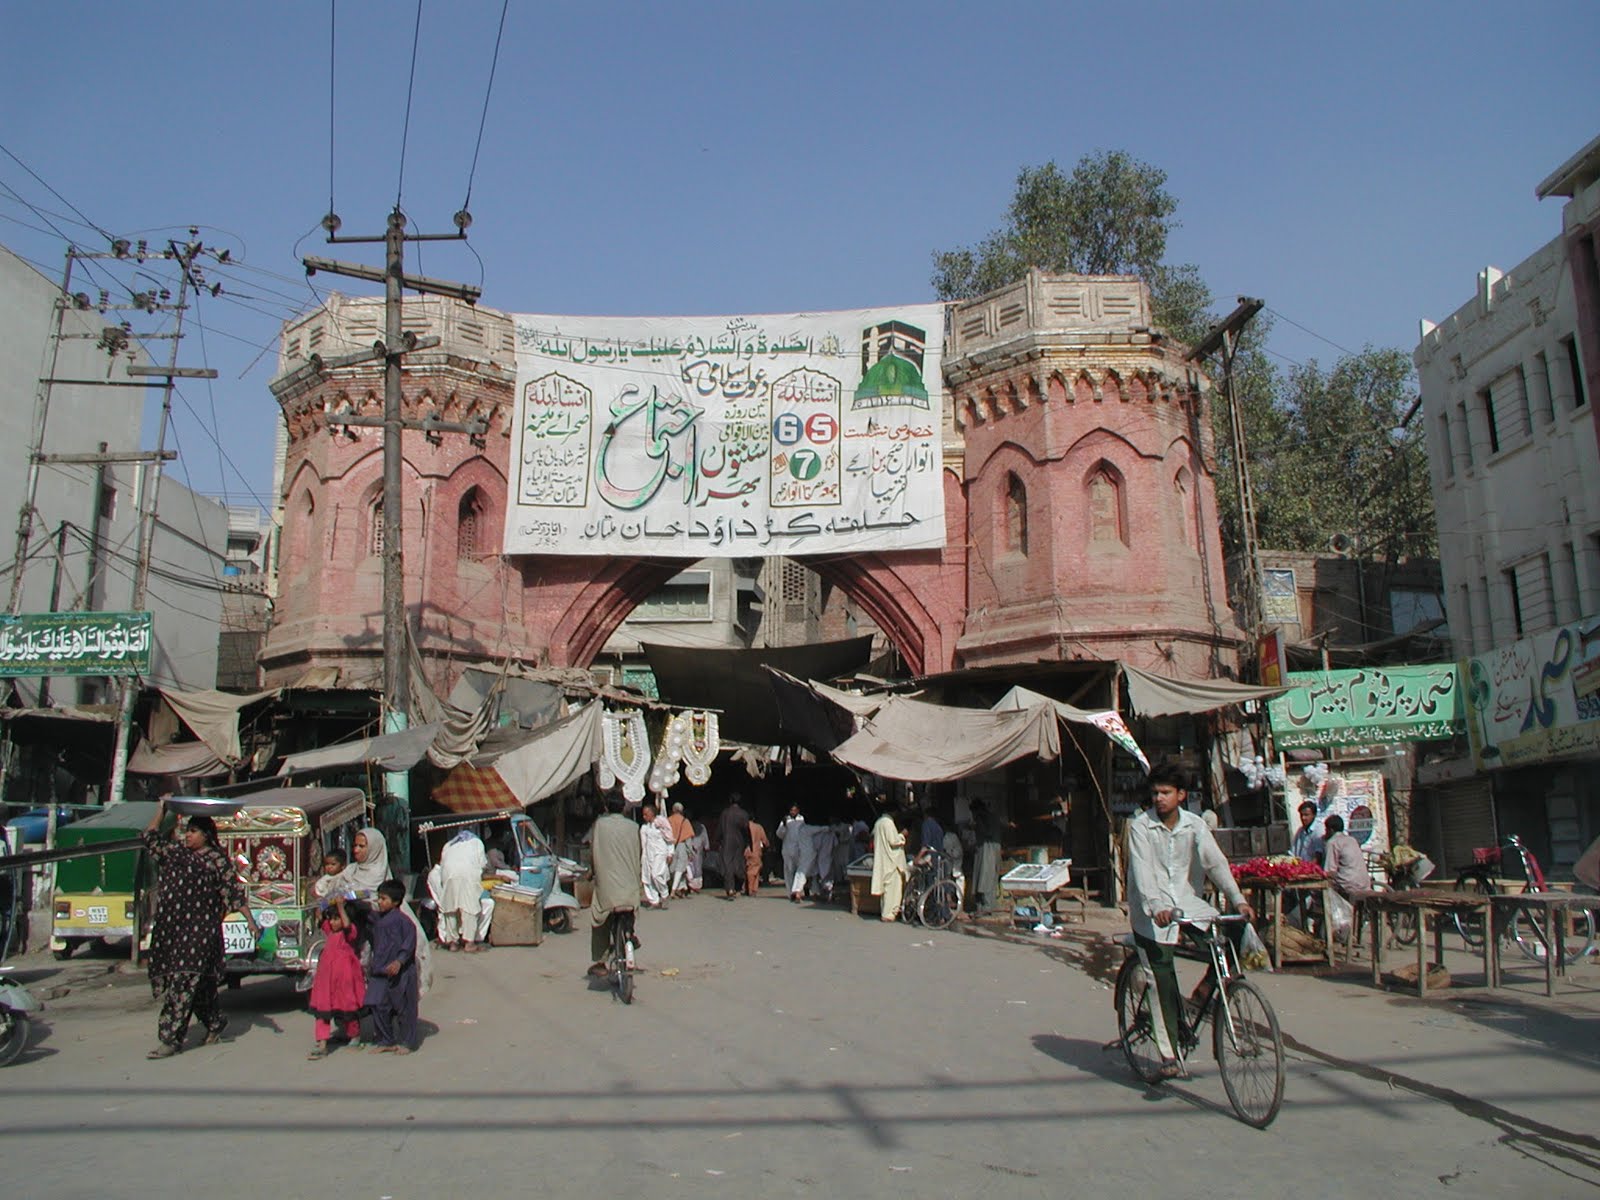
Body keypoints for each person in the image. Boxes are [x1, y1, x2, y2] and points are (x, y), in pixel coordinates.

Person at [1125, 766, 1254, 1078]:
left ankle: (1207, 988)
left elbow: (1215, 863)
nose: (1159, 798)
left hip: (1187, 904)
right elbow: (1142, 872)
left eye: (1166, 792)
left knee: (1237, 930)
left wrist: (1238, 899)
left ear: (1181, 795)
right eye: (1155, 793)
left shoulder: (1195, 825)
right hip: (1151, 912)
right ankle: (1169, 1054)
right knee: (1163, 977)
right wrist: (1155, 906)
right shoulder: (1141, 827)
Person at [141, 798, 256, 1059]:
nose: (188, 836)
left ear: (206, 835)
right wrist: (161, 810)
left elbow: (233, 893)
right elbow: (150, 837)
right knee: (199, 984)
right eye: (187, 831)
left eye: (193, 831)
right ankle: (215, 1023)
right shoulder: (175, 854)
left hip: (200, 932)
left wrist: (249, 920)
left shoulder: (216, 860)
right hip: (173, 930)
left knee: (183, 981)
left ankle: (170, 1039)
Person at [316, 827, 433, 995]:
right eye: (355, 846)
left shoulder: (377, 873)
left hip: (380, 929)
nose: (356, 850)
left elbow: (365, 893)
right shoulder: (351, 870)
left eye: (361, 846)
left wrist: (342, 896)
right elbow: (331, 887)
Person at [307, 883, 366, 1060]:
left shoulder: (350, 933)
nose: (333, 922)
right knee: (323, 1008)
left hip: (345, 976)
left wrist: (341, 906)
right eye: (331, 919)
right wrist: (322, 902)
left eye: (336, 918)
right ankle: (322, 1043)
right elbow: (320, 916)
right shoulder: (328, 930)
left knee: (347, 1005)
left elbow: (347, 924)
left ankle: (354, 1036)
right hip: (326, 976)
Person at [589, 793, 643, 977]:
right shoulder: (634, 827)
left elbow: (593, 850)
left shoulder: (600, 825)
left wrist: (591, 872)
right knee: (629, 908)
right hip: (630, 883)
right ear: (623, 808)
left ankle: (601, 960)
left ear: (606, 808)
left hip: (608, 885)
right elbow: (639, 853)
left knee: (599, 916)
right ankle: (630, 933)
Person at [365, 879, 420, 1054]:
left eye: (383, 899)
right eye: (378, 898)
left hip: (401, 972)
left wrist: (399, 961)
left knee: (404, 1007)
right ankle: (385, 1039)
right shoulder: (377, 919)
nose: (379, 902)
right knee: (378, 1005)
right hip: (380, 970)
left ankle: (406, 1042)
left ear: (396, 902)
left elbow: (409, 944)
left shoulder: (405, 922)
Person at [434, 827, 489, 952]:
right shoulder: (477, 843)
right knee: (470, 908)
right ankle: (469, 942)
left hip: (448, 875)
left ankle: (453, 942)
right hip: (468, 875)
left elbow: (442, 864)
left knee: (450, 908)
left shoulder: (449, 845)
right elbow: (482, 864)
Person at [870, 807, 909, 922]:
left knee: (886, 889)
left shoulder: (878, 823)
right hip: (891, 861)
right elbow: (894, 841)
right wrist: (902, 835)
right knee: (893, 889)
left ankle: (885, 911)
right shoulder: (888, 823)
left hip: (883, 859)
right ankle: (889, 914)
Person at [1322, 815, 1372, 897]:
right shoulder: (1352, 840)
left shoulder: (1332, 842)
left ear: (1330, 830)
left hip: (1349, 886)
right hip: (1365, 884)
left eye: (1326, 830)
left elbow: (1328, 872)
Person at [970, 799, 1003, 913]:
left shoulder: (983, 818)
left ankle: (986, 906)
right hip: (990, 849)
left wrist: (975, 826)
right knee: (988, 877)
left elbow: (986, 832)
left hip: (987, 850)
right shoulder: (992, 816)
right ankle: (985, 905)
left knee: (985, 877)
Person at [639, 802, 674, 908]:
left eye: (646, 814)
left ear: (652, 813)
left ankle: (664, 894)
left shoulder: (661, 823)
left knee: (656, 874)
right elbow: (643, 844)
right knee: (648, 878)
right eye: (643, 814)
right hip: (648, 854)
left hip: (660, 853)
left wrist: (670, 853)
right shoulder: (644, 827)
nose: (644, 816)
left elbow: (669, 839)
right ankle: (654, 901)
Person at [717, 795, 750, 899]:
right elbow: (746, 830)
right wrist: (748, 843)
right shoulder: (743, 814)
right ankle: (738, 887)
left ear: (730, 801)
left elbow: (720, 829)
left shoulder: (725, 813)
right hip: (739, 842)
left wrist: (718, 840)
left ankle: (730, 889)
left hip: (727, 842)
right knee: (739, 863)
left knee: (728, 865)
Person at [777, 803, 807, 901]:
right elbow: (779, 834)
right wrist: (784, 825)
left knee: (799, 870)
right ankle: (790, 893)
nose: (792, 812)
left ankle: (797, 890)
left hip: (799, 849)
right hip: (787, 849)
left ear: (798, 811)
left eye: (794, 810)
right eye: (791, 810)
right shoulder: (786, 820)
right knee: (789, 871)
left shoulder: (801, 820)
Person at [668, 802, 694, 898]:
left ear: (673, 810)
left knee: (672, 869)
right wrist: (690, 852)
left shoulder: (668, 820)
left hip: (671, 847)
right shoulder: (685, 821)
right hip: (682, 847)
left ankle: (679, 888)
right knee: (680, 869)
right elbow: (688, 839)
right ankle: (674, 890)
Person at [745, 816, 770, 897]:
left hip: (745, 851)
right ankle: (752, 889)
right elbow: (764, 840)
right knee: (754, 871)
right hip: (756, 851)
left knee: (749, 869)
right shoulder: (758, 827)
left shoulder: (743, 826)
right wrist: (767, 845)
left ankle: (750, 889)